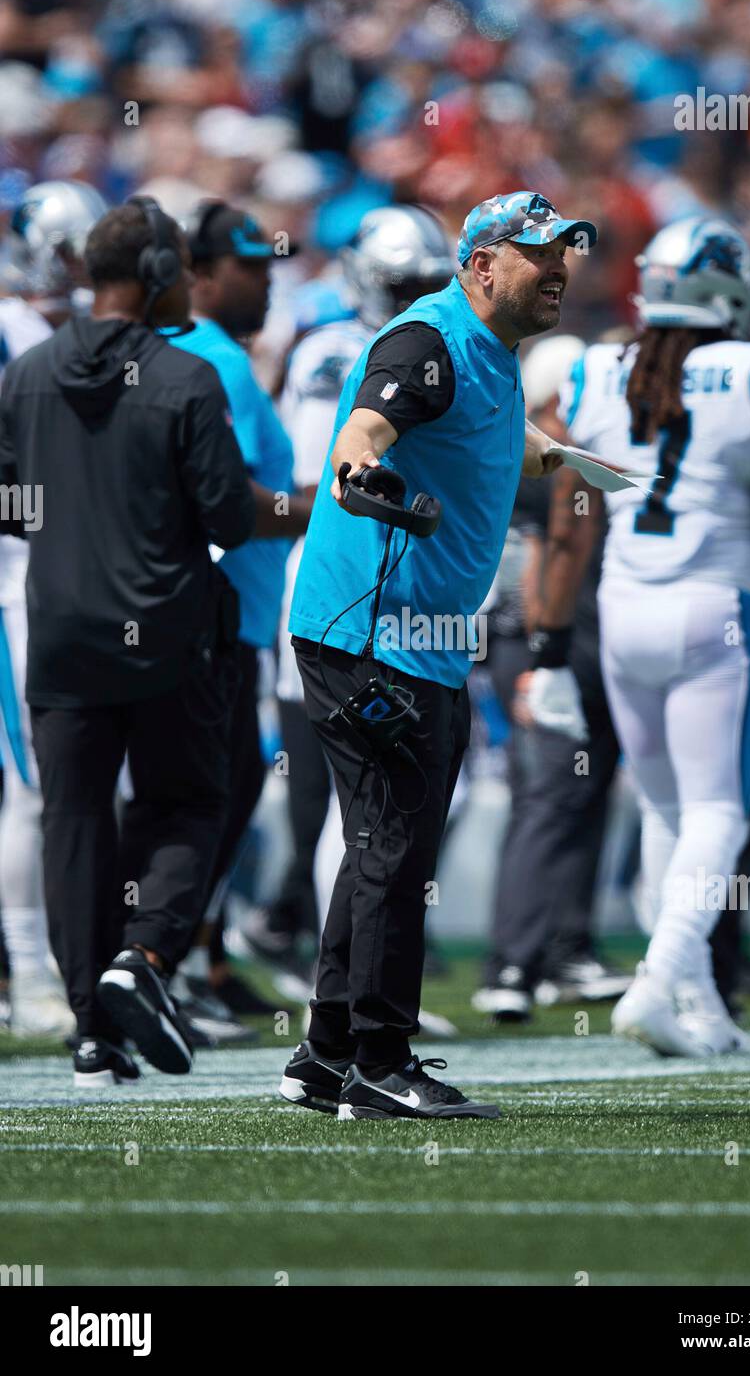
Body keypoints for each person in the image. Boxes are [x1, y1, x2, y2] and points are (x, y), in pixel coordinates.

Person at [280, 190, 597, 1120]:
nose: (558, 270)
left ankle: (326, 1054)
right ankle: (380, 1059)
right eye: (539, 253)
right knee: (392, 847)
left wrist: (574, 461)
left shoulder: (490, 355)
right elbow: (366, 430)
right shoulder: (427, 340)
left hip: (418, 641)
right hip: (374, 634)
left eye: (565, 254)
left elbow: (500, 442)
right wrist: (357, 470)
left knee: (384, 843)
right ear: (481, 262)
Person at [542, 216, 750, 1057]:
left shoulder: (598, 369)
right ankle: (656, 978)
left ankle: (699, 999)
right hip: (714, 610)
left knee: (665, 809)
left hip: (621, 612)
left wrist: (545, 646)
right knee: (719, 808)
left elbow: (571, 523)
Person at [0, 198, 257, 1086]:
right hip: (167, 636)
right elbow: (228, 512)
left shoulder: (27, 372)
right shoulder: (187, 379)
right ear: (152, 276)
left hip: (60, 634)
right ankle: (140, 960)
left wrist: (72, 525)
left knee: (72, 823)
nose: (189, 282)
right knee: (184, 804)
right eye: (180, 267)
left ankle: (88, 1031)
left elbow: (5, 501)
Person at [241, 205, 453, 994]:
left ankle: (341, 964)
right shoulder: (339, 352)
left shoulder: (408, 349)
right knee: (358, 800)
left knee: (374, 798)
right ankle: (346, 973)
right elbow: (321, 479)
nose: (416, 299)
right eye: (404, 284)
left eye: (428, 284)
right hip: (345, 586)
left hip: (382, 586)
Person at [165, 199, 311, 1031]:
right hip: (214, 616)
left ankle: (195, 962)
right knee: (207, 797)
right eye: (247, 267)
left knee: (221, 794)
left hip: (239, 616)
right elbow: (227, 497)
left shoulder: (219, 353)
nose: (262, 280)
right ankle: (165, 966)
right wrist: (321, 513)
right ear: (200, 274)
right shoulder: (209, 357)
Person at [472, 333, 630, 1021]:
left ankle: (567, 946)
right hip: (534, 645)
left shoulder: (570, 456)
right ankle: (511, 961)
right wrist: (541, 660)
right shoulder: (533, 461)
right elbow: (536, 566)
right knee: (548, 794)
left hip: (579, 642)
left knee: (582, 793)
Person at [0, 179, 107, 1038]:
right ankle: (30, 967)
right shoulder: (11, 329)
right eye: (73, 250)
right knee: (34, 786)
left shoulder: (92, 334)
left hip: (76, 581)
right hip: (15, 583)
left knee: (75, 783)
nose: (84, 267)